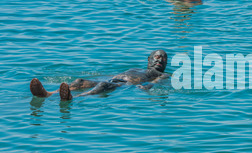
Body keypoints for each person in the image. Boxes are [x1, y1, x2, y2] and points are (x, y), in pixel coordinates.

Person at [29, 50, 168, 101]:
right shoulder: (136, 68)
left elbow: (156, 82)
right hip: (112, 79)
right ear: (149, 59)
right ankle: (48, 93)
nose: (159, 60)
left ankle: (73, 98)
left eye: (163, 59)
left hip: (123, 85)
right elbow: (115, 74)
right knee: (79, 81)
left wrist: (147, 86)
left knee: (103, 86)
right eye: (156, 57)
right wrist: (95, 78)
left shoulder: (164, 74)